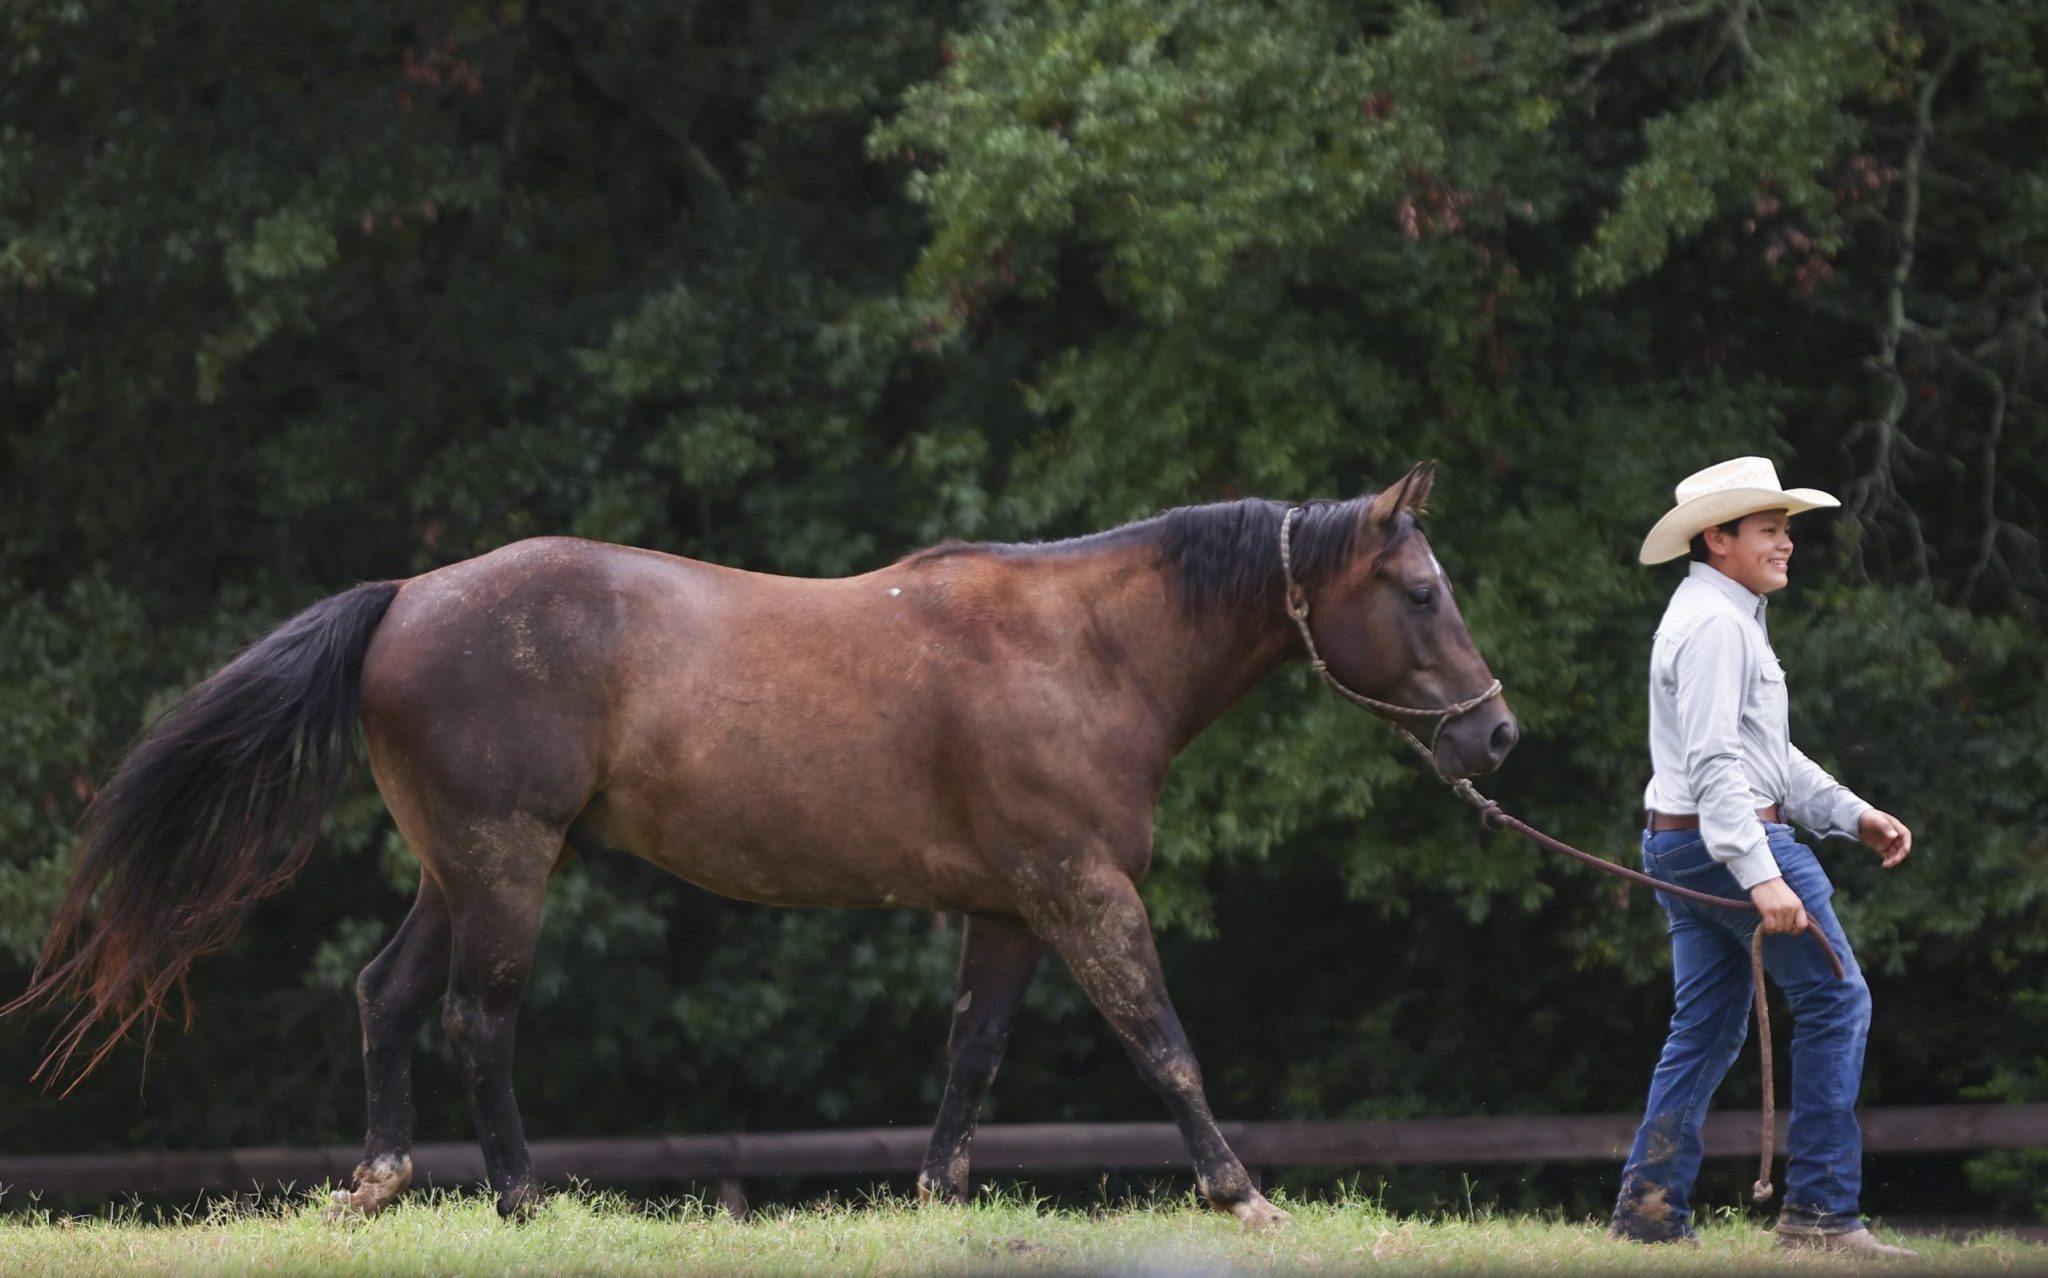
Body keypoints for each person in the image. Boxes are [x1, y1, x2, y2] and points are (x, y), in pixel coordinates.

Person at [1609, 456, 1916, 1257]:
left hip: (1680, 842)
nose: (1787, 544)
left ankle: (1648, 1210)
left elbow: (1763, 752)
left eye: (1785, 530)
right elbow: (1717, 767)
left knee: (1706, 1030)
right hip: (1728, 842)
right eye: (1770, 530)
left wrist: (1852, 815)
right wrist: (1763, 873)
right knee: (1838, 1000)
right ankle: (1819, 1215)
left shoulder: (1721, 612)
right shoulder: (1716, 624)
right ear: (1719, 538)